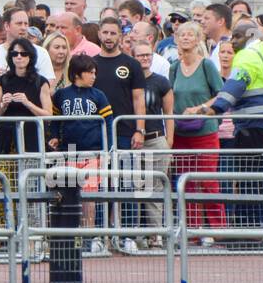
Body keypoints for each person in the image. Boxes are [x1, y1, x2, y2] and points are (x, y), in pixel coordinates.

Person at [183, 21, 263, 234]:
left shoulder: (246, 55)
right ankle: (252, 229)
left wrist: (214, 108)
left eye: (237, 37)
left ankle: (246, 231)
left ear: (250, 35)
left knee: (247, 179)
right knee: (255, 178)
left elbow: (235, 85)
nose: (232, 42)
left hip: (254, 120)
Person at [169, 21, 226, 235]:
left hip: (205, 131)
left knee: (208, 181)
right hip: (181, 133)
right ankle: (191, 230)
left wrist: (200, 108)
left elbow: (221, 94)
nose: (185, 38)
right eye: (181, 34)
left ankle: (217, 230)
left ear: (197, 39)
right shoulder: (174, 67)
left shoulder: (207, 65)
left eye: (189, 35)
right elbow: (170, 97)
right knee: (186, 183)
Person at [49, 55, 113, 244]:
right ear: (77, 73)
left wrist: (108, 147)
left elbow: (108, 122)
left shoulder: (98, 95)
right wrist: (53, 136)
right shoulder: (62, 95)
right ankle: (71, 235)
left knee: (89, 195)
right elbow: (55, 120)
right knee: (69, 194)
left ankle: (88, 236)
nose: (94, 76)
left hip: (92, 151)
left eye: (95, 72)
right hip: (69, 149)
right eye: (90, 72)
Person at [128, 41, 173, 246]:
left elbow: (169, 114)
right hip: (135, 141)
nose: (145, 59)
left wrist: (168, 141)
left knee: (155, 187)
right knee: (136, 187)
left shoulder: (161, 82)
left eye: (148, 55)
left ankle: (155, 235)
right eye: (140, 55)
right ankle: (136, 237)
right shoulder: (128, 81)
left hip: (156, 139)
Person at [93, 16, 146, 156]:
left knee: (125, 177)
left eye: (113, 33)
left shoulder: (132, 64)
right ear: (99, 34)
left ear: (120, 36)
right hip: (95, 131)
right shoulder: (90, 64)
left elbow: (139, 99)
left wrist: (140, 130)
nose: (108, 37)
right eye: (105, 33)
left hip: (124, 132)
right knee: (95, 177)